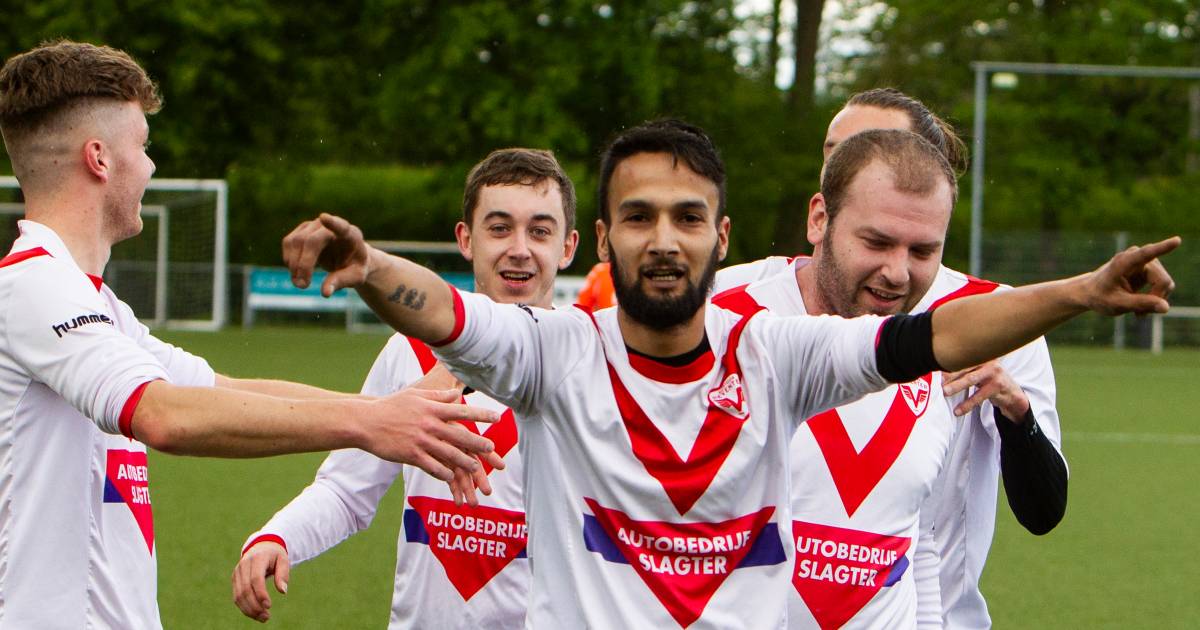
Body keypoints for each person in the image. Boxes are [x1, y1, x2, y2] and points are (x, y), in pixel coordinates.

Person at [281, 119, 1176, 628]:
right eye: (637, 217)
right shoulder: (555, 353)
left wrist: (1080, 291)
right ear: (603, 241)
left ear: (724, 238)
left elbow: (929, 337)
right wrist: (369, 270)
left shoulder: (779, 354)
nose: (663, 239)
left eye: (687, 217)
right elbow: (447, 311)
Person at [0, 40, 499, 630]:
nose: (152, 166)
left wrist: (389, 410)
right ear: (100, 159)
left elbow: (221, 387)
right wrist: (371, 424)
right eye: (143, 146)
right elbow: (164, 416)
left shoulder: (96, 304)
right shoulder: (32, 286)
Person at [714, 88, 1068, 629]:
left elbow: (1042, 511)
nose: (844, 164)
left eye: (870, 147)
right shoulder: (731, 301)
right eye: (833, 151)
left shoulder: (995, 321)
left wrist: (1015, 411)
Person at [232, 148, 580, 626]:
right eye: (499, 228)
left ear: (568, 246)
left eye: (540, 231)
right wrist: (278, 536)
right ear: (466, 238)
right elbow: (347, 489)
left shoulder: (588, 366)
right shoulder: (411, 353)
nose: (519, 247)